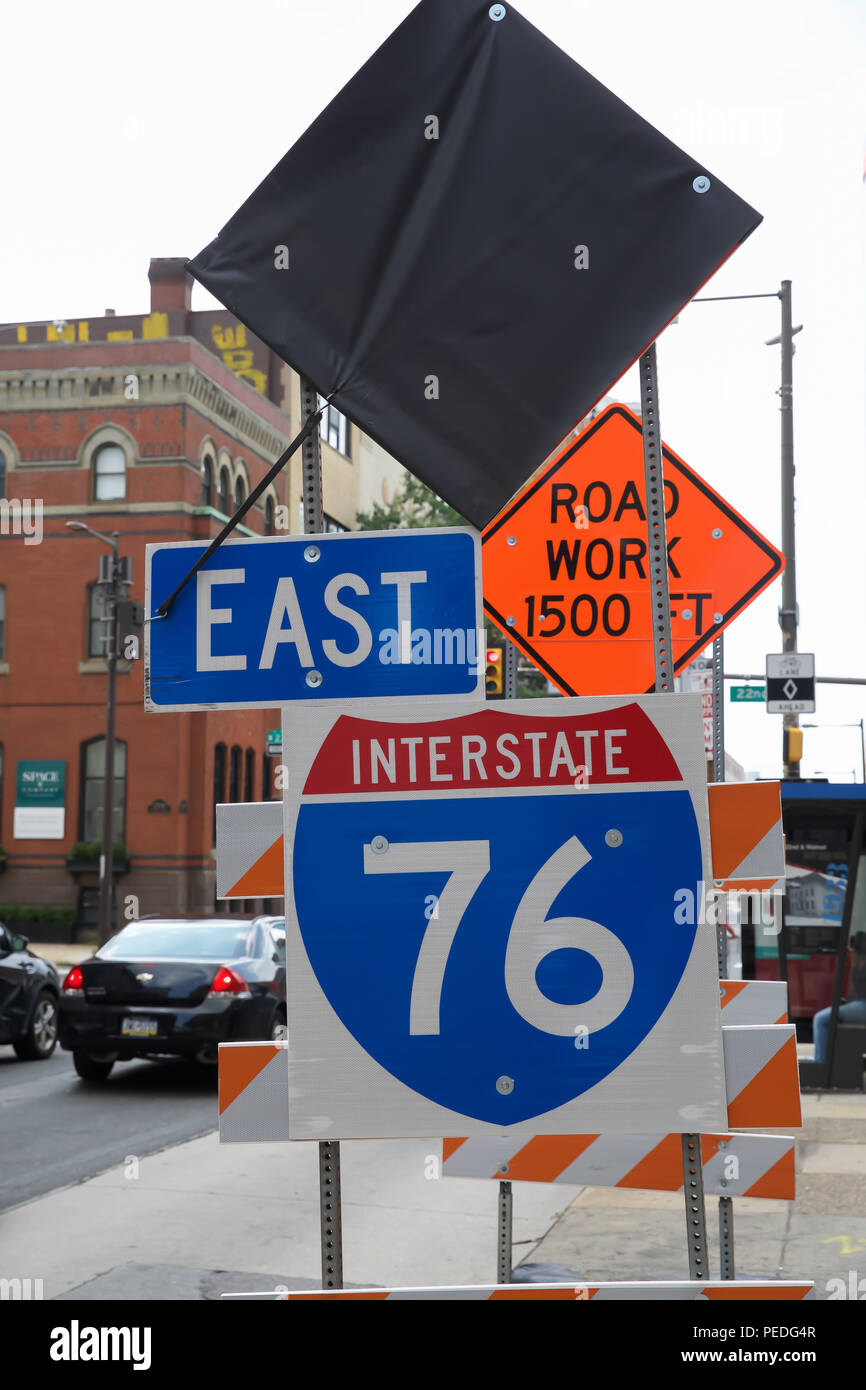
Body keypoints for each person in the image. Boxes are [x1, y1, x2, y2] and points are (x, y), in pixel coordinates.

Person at [813, 932, 866, 1064]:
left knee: (820, 1019)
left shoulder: (860, 965)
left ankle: (821, 1063)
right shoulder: (859, 963)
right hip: (861, 1003)